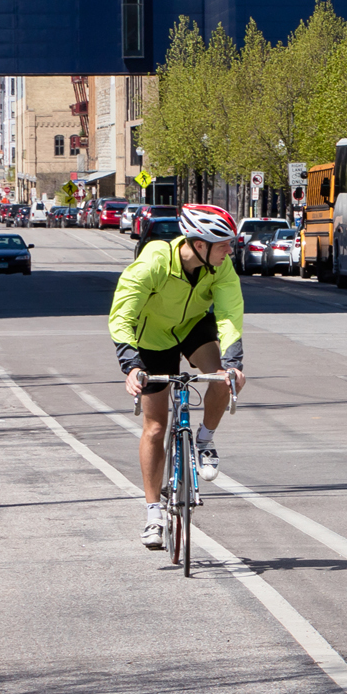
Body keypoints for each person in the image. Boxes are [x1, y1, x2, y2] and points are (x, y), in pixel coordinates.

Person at [110, 203, 247, 550]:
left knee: (220, 378)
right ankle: (153, 512)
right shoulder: (155, 261)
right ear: (199, 244)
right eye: (223, 244)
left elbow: (230, 313)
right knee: (155, 427)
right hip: (152, 338)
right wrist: (132, 366)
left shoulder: (221, 267)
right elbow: (122, 313)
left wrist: (234, 362)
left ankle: (204, 441)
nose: (229, 250)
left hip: (192, 328)